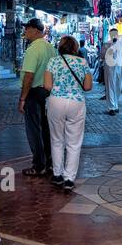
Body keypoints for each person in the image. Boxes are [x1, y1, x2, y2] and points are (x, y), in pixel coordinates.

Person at [44, 36, 93, 189]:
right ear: (75, 47)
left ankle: (57, 175)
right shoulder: (83, 62)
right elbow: (88, 87)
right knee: (74, 142)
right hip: (76, 103)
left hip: (56, 101)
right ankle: (69, 179)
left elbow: (47, 85)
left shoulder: (53, 61)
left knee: (56, 139)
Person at [18, 18, 55, 177]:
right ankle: (50, 163)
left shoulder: (33, 49)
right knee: (46, 129)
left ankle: (39, 165)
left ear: (34, 30)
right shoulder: (50, 48)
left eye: (27, 29)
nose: (25, 32)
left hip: (33, 93)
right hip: (48, 92)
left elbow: (29, 76)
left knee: (34, 130)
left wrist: (22, 98)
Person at [101, 27, 122, 115]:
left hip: (119, 67)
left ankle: (116, 105)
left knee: (118, 86)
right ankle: (111, 107)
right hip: (109, 68)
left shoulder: (121, 44)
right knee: (110, 86)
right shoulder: (106, 44)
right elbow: (102, 56)